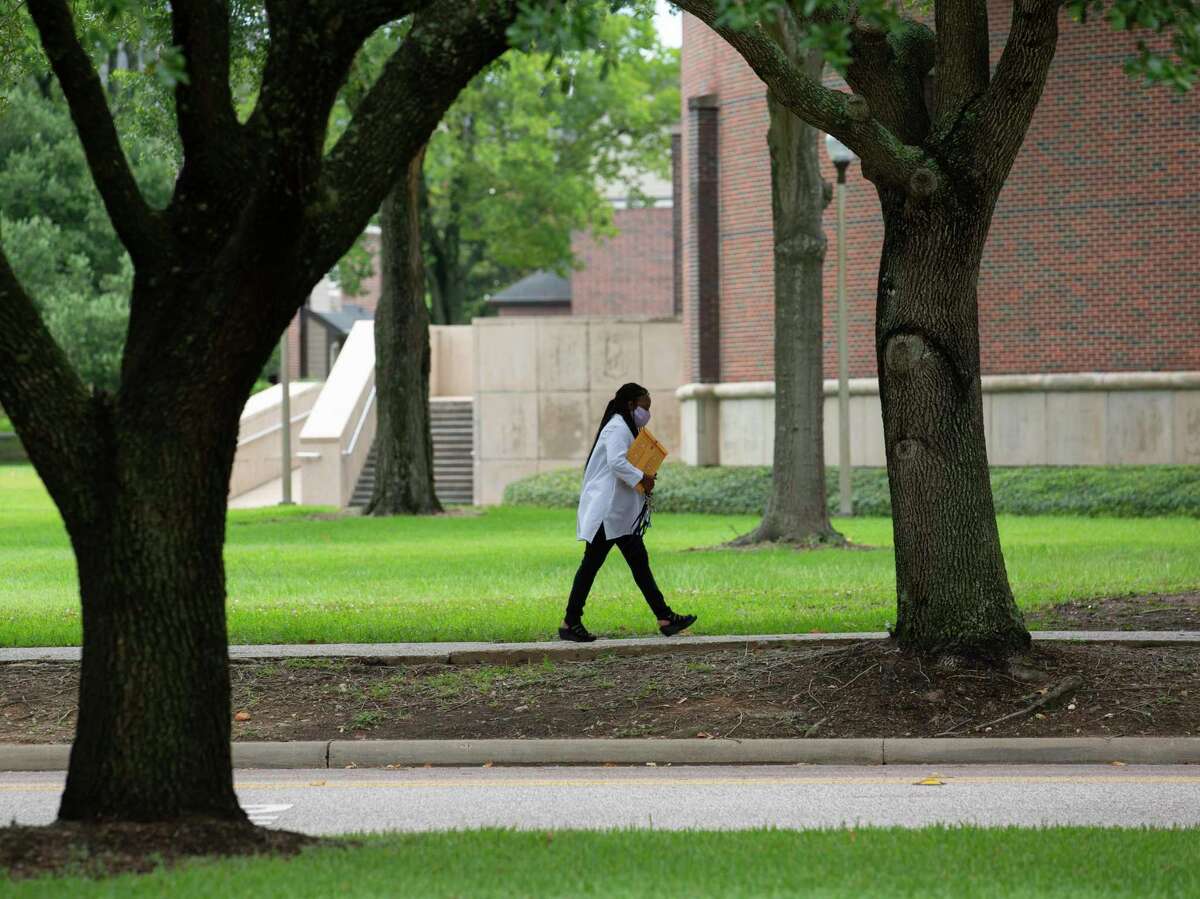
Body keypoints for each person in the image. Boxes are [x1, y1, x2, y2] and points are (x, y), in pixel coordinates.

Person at [559, 382, 697, 643]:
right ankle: (570, 621)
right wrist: (642, 478)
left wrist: (644, 473)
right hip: (608, 513)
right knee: (592, 566)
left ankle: (665, 617)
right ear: (631, 404)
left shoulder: (626, 427)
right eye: (645, 407)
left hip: (618, 516)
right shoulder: (617, 428)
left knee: (636, 564)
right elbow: (616, 462)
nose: (647, 413)